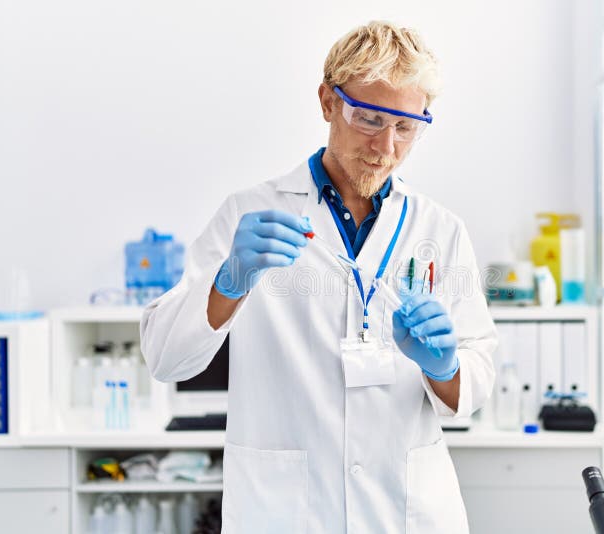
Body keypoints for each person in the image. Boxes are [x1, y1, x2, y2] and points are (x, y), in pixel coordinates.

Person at [141, 20, 498, 533]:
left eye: (407, 127)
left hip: (405, 512)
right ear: (328, 102)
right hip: (286, 512)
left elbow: (475, 380)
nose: (386, 147)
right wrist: (229, 281)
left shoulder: (439, 229)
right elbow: (165, 357)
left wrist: (445, 367)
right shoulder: (249, 213)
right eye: (370, 119)